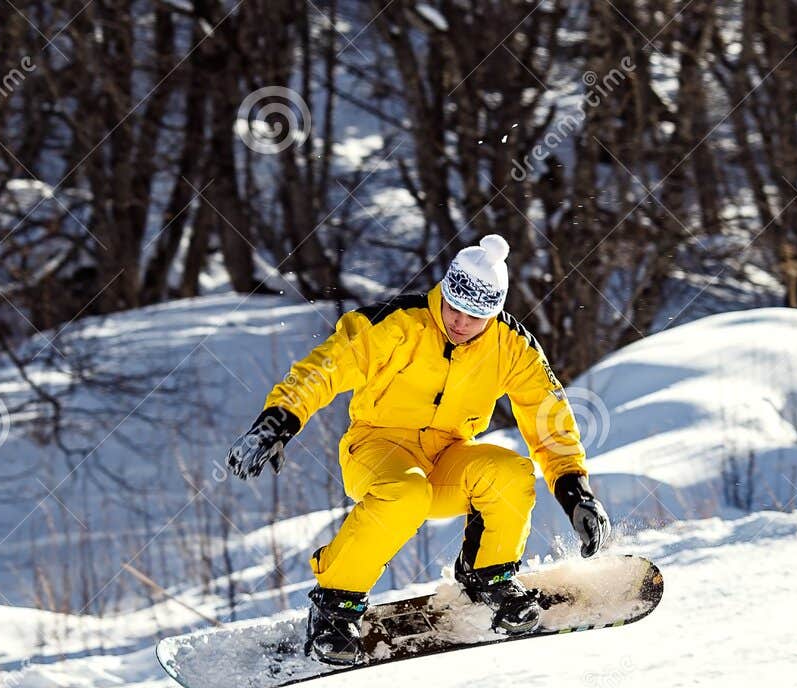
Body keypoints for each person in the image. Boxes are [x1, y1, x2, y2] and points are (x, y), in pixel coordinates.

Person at [226, 233, 611, 665]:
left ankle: (488, 577)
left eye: (476, 316)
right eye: (454, 308)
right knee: (405, 493)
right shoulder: (396, 323)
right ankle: (334, 605)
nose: (461, 322)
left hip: (447, 456)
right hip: (377, 447)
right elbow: (323, 369)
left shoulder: (511, 346)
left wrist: (575, 490)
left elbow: (549, 418)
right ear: (443, 292)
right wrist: (279, 420)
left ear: (495, 313)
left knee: (511, 472)